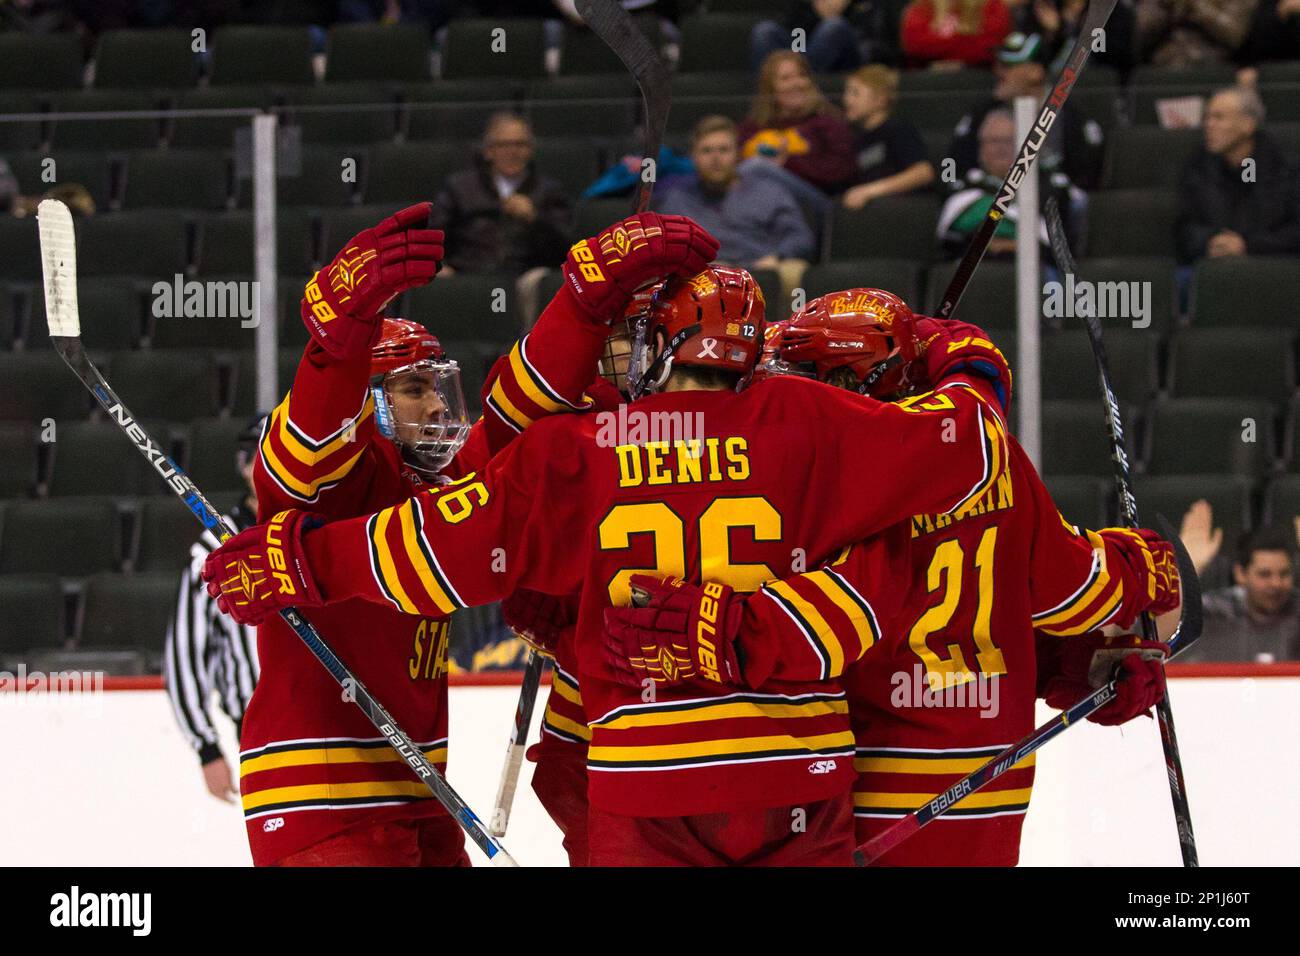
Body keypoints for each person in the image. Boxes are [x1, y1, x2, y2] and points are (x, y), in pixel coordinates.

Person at [201, 258, 1026, 866]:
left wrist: (306, 559)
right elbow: (969, 447)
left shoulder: (588, 445)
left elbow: (438, 546)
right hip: (796, 776)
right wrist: (961, 354)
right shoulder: (818, 422)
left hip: (645, 782)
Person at [603, 287, 1180, 866]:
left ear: (854, 380)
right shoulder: (987, 453)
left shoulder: (837, 479)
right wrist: (1125, 598)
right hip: (988, 788)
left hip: (867, 786)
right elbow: (1074, 597)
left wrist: (708, 626)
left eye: (805, 370)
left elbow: (839, 625)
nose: (784, 381)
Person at [217, 203, 717, 867]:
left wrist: (582, 303)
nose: (434, 406)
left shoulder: (438, 485)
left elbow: (520, 419)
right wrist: (339, 343)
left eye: (437, 386)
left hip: (419, 790)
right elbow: (303, 444)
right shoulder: (338, 482)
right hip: (320, 794)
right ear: (364, 402)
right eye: (412, 388)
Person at [163, 414, 264, 804]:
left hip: (337, 722)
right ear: (243, 464)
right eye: (258, 457)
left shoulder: (321, 529)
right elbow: (186, 656)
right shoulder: (213, 549)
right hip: (258, 729)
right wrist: (206, 747)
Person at [659, 115, 815, 298]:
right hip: (706, 279)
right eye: (707, 151)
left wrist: (777, 257)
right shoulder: (678, 199)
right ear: (693, 156)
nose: (716, 158)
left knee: (794, 271)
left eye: (724, 150)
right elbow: (665, 248)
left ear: (738, 154)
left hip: (763, 269)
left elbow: (799, 237)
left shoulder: (768, 191)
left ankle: (787, 327)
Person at [949, 31, 1104, 191]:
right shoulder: (983, 112)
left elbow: (1088, 174)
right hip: (990, 200)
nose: (998, 72)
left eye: (1008, 66)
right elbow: (957, 163)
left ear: (1036, 72)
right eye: (998, 65)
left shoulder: (1068, 114)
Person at [430, 112, 572, 276]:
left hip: (526, 275)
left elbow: (565, 248)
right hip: (467, 272)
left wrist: (535, 218)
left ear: (530, 150)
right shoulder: (459, 188)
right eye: (504, 145)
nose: (512, 152)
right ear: (488, 151)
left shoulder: (550, 191)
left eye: (520, 144)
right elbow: (436, 234)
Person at [1176, 86, 1300, 264]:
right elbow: (1185, 226)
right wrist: (1210, 241)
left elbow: (1295, 231)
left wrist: (1247, 245)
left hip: (1269, 265)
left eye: (1219, 117)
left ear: (1247, 125)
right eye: (1207, 117)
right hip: (1213, 265)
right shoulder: (1199, 165)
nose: (1209, 125)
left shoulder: (1283, 166)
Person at [938, 107, 1069, 257]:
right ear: (981, 148)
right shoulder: (963, 185)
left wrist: (1012, 244)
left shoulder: (1050, 185)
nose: (1001, 148)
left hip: (1041, 264)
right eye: (993, 141)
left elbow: (1061, 238)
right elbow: (955, 233)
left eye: (1009, 141)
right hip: (976, 264)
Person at [738, 50, 857, 204]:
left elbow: (842, 170)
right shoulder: (752, 127)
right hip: (759, 200)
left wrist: (787, 163)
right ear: (770, 87)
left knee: (757, 167)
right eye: (786, 78)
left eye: (802, 75)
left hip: (812, 201)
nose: (797, 83)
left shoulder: (828, 121)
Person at [1178, 525, 1300, 663]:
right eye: (1265, 574)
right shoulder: (1216, 611)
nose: (1276, 584)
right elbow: (1164, 626)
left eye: (1284, 574)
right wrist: (1185, 571)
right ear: (1240, 574)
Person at [840, 64, 936, 209]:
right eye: (847, 93)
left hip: (903, 210)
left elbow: (923, 173)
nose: (847, 100)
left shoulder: (898, 130)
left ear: (880, 99)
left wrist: (869, 191)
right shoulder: (856, 137)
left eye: (855, 93)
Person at [749, 1, 872, 73]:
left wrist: (840, 11)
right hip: (805, 49)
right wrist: (815, 11)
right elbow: (797, 33)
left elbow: (870, 39)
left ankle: (802, 79)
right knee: (765, 31)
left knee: (834, 25)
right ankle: (764, 97)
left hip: (848, 58)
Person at [1136, 0, 1258, 68]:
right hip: (1161, 71)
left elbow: (1234, 35)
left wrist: (1195, 5)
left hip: (1211, 72)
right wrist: (1164, 8)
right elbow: (1136, 35)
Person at [900, 0, 1012, 68]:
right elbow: (915, 46)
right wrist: (968, 38)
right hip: (927, 81)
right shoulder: (922, 6)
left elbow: (991, 45)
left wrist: (939, 45)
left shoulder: (992, 5)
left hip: (980, 78)